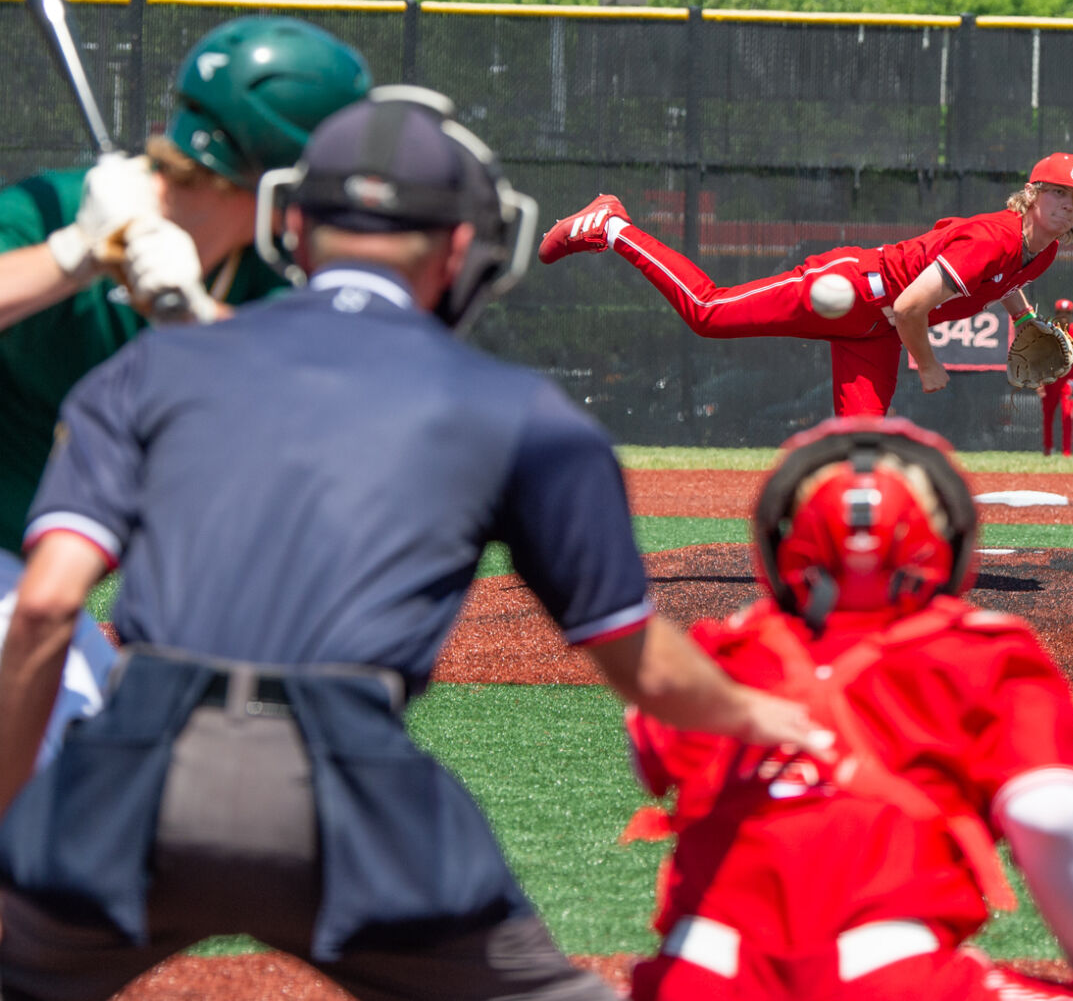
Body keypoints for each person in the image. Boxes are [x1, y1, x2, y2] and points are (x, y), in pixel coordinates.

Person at [0, 91, 817, 1001]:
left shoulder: (153, 364)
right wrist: (762, 717)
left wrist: (14, 823)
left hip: (124, 786)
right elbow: (643, 667)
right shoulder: (519, 410)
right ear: (467, 249)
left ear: (292, 228)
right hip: (351, 795)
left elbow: (43, 605)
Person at [620, 416, 1073, 1001]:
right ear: (947, 538)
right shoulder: (985, 649)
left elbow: (649, 749)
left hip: (697, 977)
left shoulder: (721, 648)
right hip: (891, 976)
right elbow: (1053, 813)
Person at [0, 16, 372, 772]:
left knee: (138, 779)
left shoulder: (269, 274)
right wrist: (75, 255)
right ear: (275, 173)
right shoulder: (49, 211)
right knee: (59, 775)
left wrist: (194, 314)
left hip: (52, 574)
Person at [536, 154, 1073, 417]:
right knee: (708, 312)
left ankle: (839, 555)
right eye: (1057, 193)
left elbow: (1001, 279)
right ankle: (612, 225)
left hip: (872, 333)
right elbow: (910, 308)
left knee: (861, 445)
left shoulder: (1040, 251)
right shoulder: (994, 238)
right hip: (856, 291)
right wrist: (928, 365)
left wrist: (1023, 318)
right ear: (1032, 193)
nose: (1066, 205)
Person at [1040, 297, 1073, 457]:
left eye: (1067, 313)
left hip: (1068, 382)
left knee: (1068, 414)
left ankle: (1067, 452)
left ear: (1072, 315)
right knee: (1048, 415)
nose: (1064, 316)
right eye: (1060, 313)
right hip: (1050, 380)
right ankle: (1048, 449)